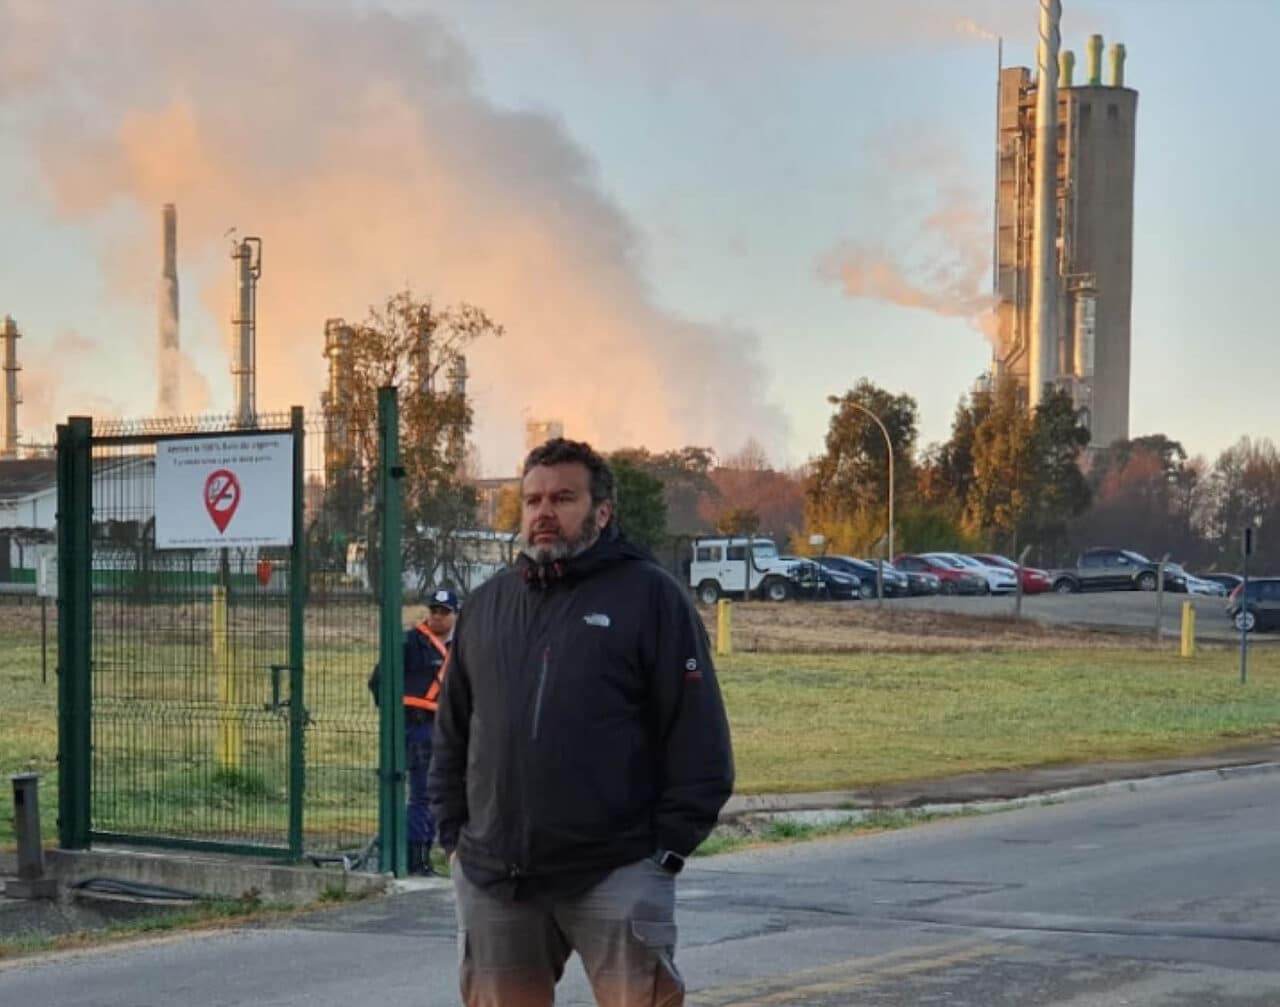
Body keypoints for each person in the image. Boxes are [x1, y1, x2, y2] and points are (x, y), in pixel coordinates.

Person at [430, 438, 734, 1007]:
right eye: (533, 500)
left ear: (603, 511)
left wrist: (665, 852)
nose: (544, 513)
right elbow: (452, 733)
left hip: (615, 870)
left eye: (563, 498)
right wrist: (456, 841)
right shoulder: (487, 605)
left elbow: (699, 739)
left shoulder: (651, 597)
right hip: (496, 878)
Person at [369, 586, 457, 876]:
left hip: (445, 729)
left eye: (444, 612)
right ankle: (415, 859)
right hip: (416, 727)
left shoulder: (461, 647)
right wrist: (395, 717)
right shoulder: (410, 642)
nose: (437, 616)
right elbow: (379, 680)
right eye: (434, 610)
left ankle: (420, 854)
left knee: (436, 793)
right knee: (422, 794)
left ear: (455, 615)